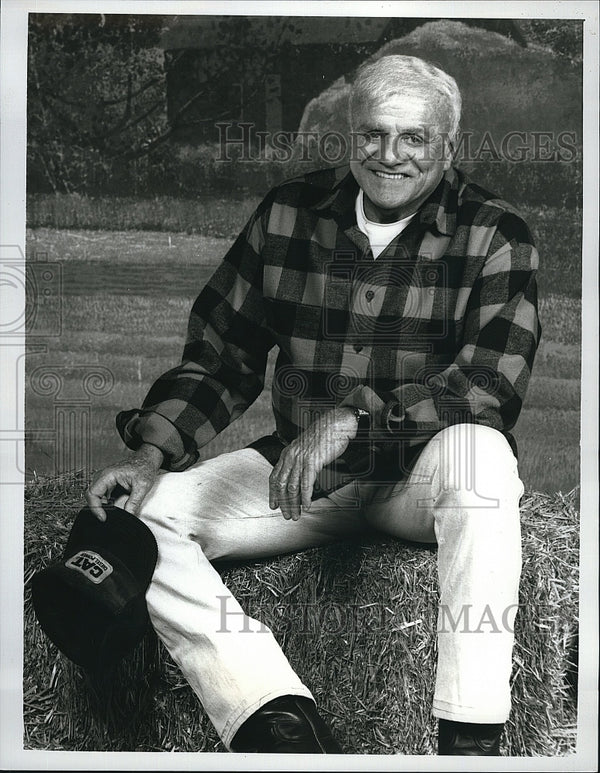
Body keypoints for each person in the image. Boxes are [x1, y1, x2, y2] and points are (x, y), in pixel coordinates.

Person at [86, 55, 541, 755]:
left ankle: (469, 739)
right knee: (139, 521)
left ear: (447, 149)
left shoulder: (496, 232)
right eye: (372, 135)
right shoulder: (289, 212)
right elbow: (222, 352)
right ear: (350, 136)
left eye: (414, 138)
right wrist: (152, 453)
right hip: (300, 478)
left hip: (417, 476)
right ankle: (278, 722)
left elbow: (486, 385)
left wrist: (357, 414)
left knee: (484, 457)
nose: (389, 155)